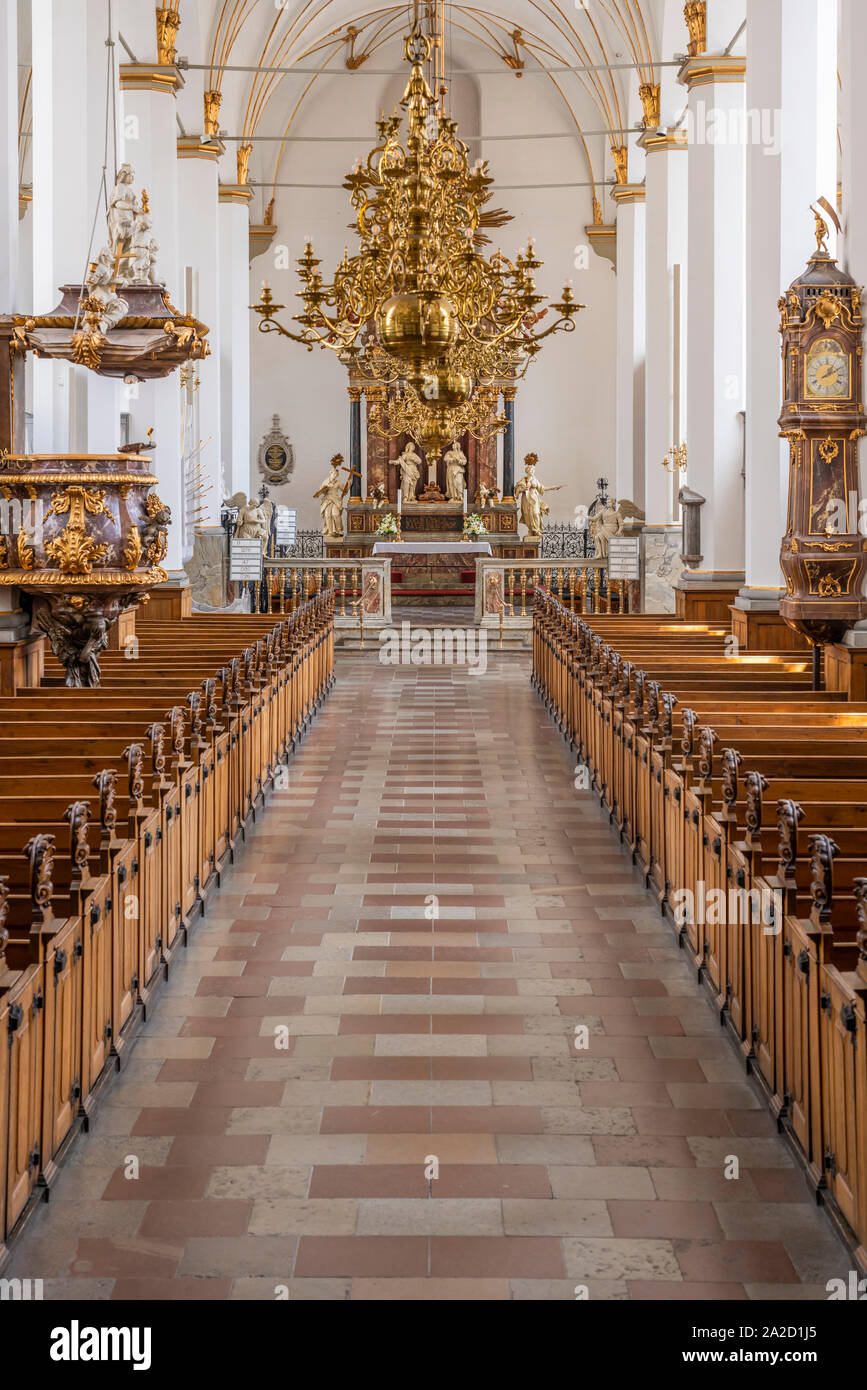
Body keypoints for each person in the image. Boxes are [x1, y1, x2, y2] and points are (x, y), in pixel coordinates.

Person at [514, 452, 562, 537]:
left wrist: (553, 487)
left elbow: (542, 488)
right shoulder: (524, 480)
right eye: (531, 470)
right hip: (526, 499)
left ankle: (536, 530)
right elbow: (517, 489)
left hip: (535, 499)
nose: (532, 471)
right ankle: (531, 531)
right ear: (527, 471)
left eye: (533, 470)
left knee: (536, 514)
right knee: (527, 514)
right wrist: (522, 489)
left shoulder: (535, 480)